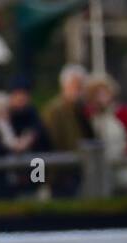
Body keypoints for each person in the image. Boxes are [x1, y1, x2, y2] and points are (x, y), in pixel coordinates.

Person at [42, 63, 92, 197]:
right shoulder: (55, 110)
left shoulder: (82, 108)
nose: (78, 90)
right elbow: (52, 142)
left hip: (79, 170)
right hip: (62, 173)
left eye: (81, 86)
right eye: (75, 85)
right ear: (64, 85)